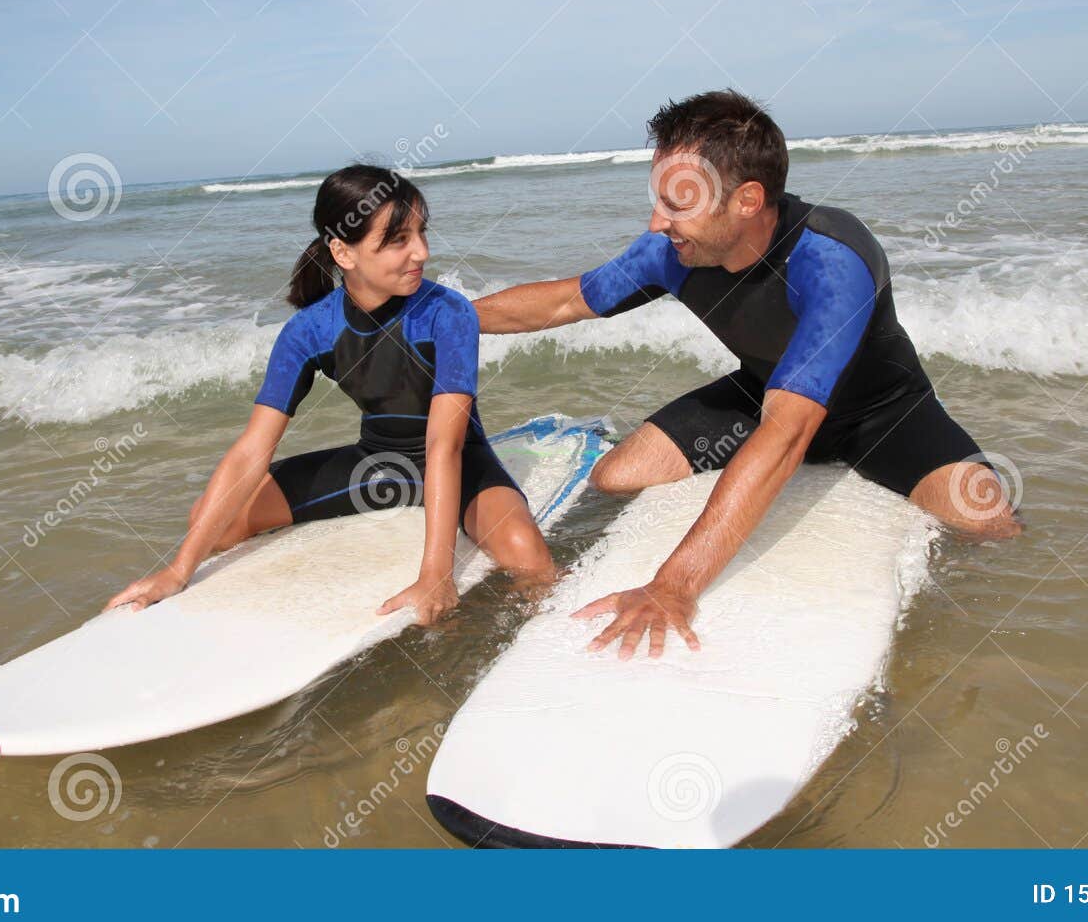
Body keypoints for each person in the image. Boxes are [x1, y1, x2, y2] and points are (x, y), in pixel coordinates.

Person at [473, 90, 1021, 659]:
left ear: (747, 200)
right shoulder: (672, 252)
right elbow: (564, 302)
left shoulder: (832, 261)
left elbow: (786, 432)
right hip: (760, 395)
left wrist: (673, 586)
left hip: (883, 413)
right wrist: (447, 320)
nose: (657, 221)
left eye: (677, 204)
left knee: (990, 524)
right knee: (615, 477)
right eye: (659, 201)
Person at [105, 164, 551, 624]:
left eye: (421, 232)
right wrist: (179, 570)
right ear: (343, 251)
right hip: (378, 462)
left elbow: (445, 445)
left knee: (530, 559)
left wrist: (436, 574)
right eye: (398, 239)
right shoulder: (308, 330)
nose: (421, 251)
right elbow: (251, 450)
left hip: (460, 460)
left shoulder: (447, 312)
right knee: (213, 522)